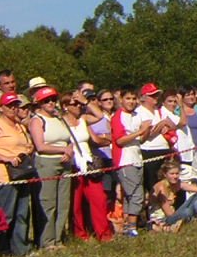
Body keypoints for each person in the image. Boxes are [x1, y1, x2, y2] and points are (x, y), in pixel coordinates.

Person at [61, 92, 113, 242]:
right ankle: (80, 234)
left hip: (89, 164)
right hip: (74, 166)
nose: (78, 106)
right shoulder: (61, 122)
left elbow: (100, 115)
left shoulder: (83, 119)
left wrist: (85, 102)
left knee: (99, 199)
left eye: (79, 104)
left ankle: (104, 233)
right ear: (65, 107)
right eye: (74, 104)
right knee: (76, 204)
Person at [26, 85, 73, 248]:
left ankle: (58, 238)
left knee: (63, 202)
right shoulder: (37, 120)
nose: (51, 103)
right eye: (47, 101)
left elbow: (69, 139)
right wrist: (62, 149)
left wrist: (69, 151)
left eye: (53, 99)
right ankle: (47, 240)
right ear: (39, 103)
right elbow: (40, 146)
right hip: (46, 162)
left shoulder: (60, 118)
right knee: (48, 203)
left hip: (65, 162)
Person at [0, 91, 35, 256]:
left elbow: (28, 145)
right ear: (1, 108)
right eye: (10, 105)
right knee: (6, 215)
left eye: (15, 105)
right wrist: (6, 158)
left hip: (22, 175)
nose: (13, 108)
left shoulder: (20, 126)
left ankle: (20, 249)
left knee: (22, 213)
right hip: (5, 176)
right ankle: (2, 248)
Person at [111, 87, 150, 236]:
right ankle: (132, 226)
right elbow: (120, 140)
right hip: (125, 160)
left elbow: (141, 139)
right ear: (121, 99)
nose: (131, 102)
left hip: (137, 158)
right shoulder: (118, 117)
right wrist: (139, 131)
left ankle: (126, 225)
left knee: (131, 195)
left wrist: (146, 130)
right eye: (128, 98)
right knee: (136, 194)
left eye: (134, 99)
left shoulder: (137, 115)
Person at [148, 161, 197, 231]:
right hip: (162, 219)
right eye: (172, 174)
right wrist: (181, 214)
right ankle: (168, 227)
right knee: (187, 212)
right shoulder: (161, 187)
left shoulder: (177, 183)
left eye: (177, 174)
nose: (175, 176)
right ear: (165, 174)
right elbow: (169, 213)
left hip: (172, 214)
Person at [137, 82, 176, 192]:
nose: (156, 98)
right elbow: (146, 134)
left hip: (164, 150)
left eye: (157, 95)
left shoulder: (158, 111)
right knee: (152, 184)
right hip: (149, 151)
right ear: (144, 97)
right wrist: (162, 124)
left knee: (166, 183)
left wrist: (165, 126)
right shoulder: (139, 112)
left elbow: (173, 125)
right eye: (152, 95)